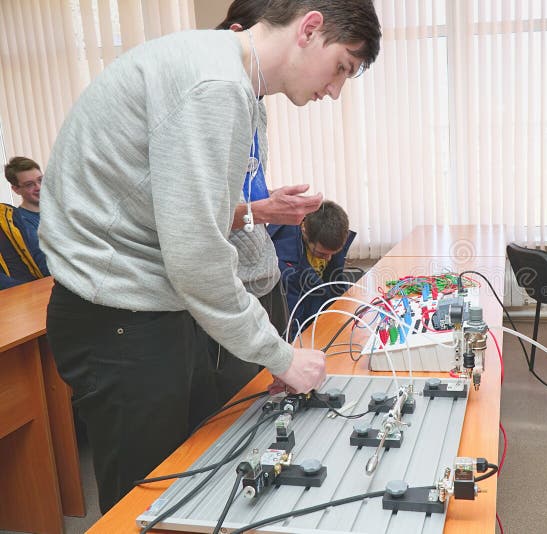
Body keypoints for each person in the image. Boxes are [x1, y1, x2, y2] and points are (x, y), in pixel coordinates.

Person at [39, 0, 381, 513]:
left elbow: (197, 222)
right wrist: (283, 356)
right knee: (147, 501)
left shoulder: (227, 75)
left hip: (151, 305)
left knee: (197, 476)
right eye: (341, 68)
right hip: (118, 317)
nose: (334, 91)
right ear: (310, 29)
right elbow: (198, 259)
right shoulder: (215, 86)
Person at [208, 2, 325, 403]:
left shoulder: (254, 103)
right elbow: (198, 217)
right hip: (232, 287)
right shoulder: (213, 98)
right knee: (238, 405)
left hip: (264, 275)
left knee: (277, 396)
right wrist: (260, 211)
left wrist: (266, 200)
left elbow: (238, 190)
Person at [269, 200, 355, 336]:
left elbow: (334, 283)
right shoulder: (286, 264)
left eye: (333, 253)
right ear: (304, 232)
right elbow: (292, 321)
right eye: (322, 254)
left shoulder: (328, 236)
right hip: (304, 325)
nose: (328, 259)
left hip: (322, 314)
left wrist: (343, 311)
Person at [0, 202, 49, 289]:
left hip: (37, 284)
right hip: (13, 292)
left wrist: (54, 274)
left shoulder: (8, 212)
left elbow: (34, 250)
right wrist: (26, 289)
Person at [4, 156, 42, 231]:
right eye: (29, 184)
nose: (39, 187)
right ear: (16, 189)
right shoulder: (20, 223)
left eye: (40, 180)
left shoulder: (57, 210)